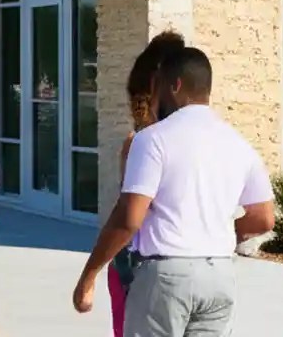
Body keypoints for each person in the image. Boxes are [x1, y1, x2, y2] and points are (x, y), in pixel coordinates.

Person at [72, 47, 276, 336]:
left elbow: (129, 218)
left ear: (175, 85)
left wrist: (89, 275)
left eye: (156, 89)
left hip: (166, 277)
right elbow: (264, 218)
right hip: (219, 275)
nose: (153, 101)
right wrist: (215, 230)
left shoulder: (152, 140)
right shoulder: (238, 143)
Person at [107, 30, 186, 337]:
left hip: (146, 262)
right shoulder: (145, 142)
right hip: (148, 263)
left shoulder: (141, 140)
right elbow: (131, 214)